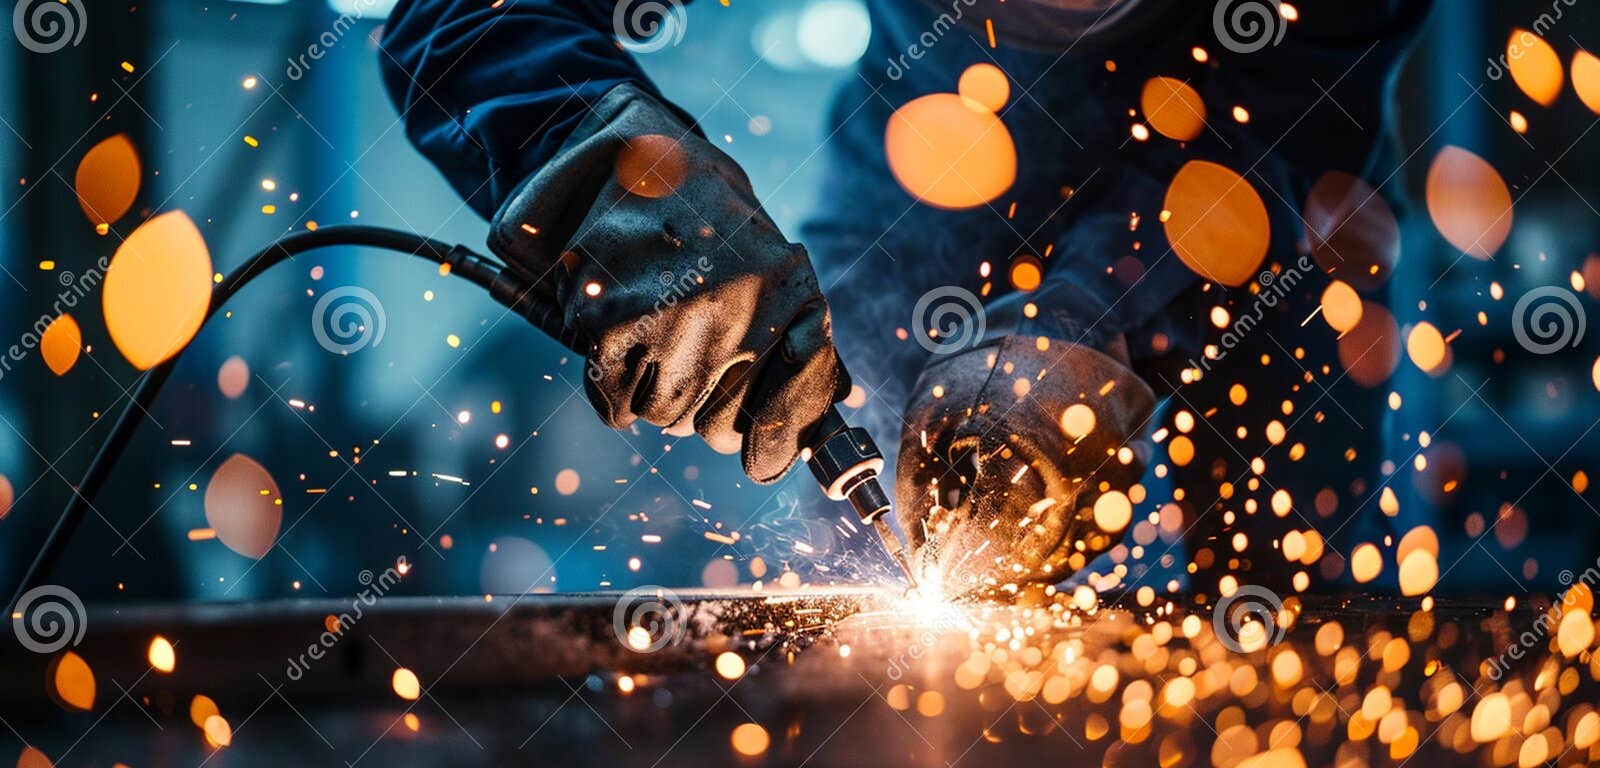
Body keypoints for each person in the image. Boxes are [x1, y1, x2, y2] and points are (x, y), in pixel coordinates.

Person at [380, 0, 1431, 596]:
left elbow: (1281, 129)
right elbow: (462, 17)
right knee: (862, 534)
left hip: (1240, 200)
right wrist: (602, 169)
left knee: (1277, 621)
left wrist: (1082, 325)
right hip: (920, 151)